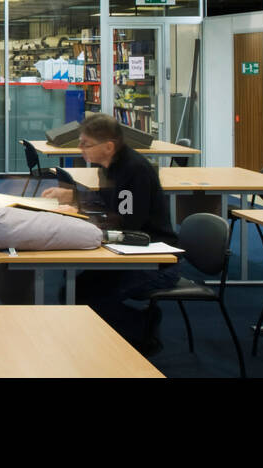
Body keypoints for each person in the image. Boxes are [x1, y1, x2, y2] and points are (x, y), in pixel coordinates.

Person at [42, 113, 179, 355]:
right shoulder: (109, 167)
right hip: (126, 250)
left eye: (86, 143)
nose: (80, 148)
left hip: (154, 258)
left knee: (94, 298)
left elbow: (128, 221)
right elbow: (108, 206)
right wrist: (74, 199)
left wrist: (80, 211)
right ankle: (103, 341)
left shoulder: (134, 171)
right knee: (73, 290)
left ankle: (143, 327)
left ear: (108, 146)